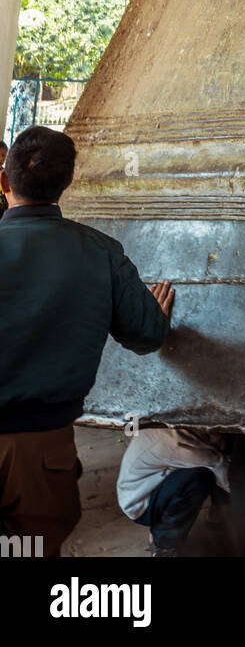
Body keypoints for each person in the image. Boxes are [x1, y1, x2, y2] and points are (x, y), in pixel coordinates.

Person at [0, 125, 174, 556]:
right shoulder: (100, 252)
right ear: (67, 183)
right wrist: (158, 313)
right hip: (41, 450)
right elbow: (147, 335)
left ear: (4, 181)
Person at [117, 426, 230, 558]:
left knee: (209, 466)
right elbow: (220, 467)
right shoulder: (183, 446)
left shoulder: (172, 424)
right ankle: (164, 545)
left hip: (154, 480)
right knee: (198, 478)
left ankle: (219, 508)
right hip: (139, 503)